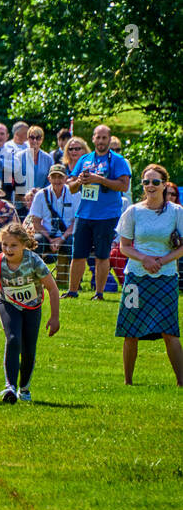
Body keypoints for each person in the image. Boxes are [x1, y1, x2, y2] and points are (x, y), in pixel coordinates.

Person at [0, 221, 61, 403]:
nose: (8, 249)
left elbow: (52, 289)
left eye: (13, 245)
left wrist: (55, 318)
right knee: (13, 339)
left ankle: (24, 388)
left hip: (32, 308)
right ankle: (10, 388)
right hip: (9, 305)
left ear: (24, 244)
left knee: (29, 348)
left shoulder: (34, 261)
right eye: (4, 245)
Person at [114, 165, 183, 385]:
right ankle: (128, 382)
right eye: (146, 182)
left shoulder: (176, 212)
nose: (150, 186)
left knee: (170, 332)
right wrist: (144, 259)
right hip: (136, 277)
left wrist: (161, 261)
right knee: (130, 331)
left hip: (166, 277)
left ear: (164, 184)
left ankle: (181, 382)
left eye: (155, 182)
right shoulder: (133, 211)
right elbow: (124, 246)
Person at [66, 124, 132, 300]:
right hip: (84, 214)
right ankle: (72, 291)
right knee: (78, 254)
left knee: (102, 256)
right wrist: (79, 181)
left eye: (104, 138)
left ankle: (99, 293)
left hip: (107, 215)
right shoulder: (85, 159)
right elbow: (71, 188)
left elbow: (124, 185)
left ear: (109, 139)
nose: (101, 141)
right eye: (98, 137)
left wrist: (99, 179)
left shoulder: (118, 160)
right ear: (93, 139)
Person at [25, 164, 79, 276]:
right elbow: (36, 222)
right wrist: (50, 239)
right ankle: (35, 275)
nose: (57, 180)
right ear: (49, 178)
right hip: (46, 234)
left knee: (75, 244)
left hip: (68, 234)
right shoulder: (41, 195)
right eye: (54, 177)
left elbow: (76, 221)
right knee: (34, 242)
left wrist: (61, 238)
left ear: (66, 178)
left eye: (60, 177)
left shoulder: (74, 194)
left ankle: (74, 280)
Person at [16, 124, 53, 207]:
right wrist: (24, 199)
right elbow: (15, 180)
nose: (35, 141)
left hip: (42, 201)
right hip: (21, 202)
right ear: (28, 138)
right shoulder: (19, 157)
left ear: (42, 139)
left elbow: (50, 181)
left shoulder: (48, 159)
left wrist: (39, 194)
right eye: (32, 137)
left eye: (38, 138)